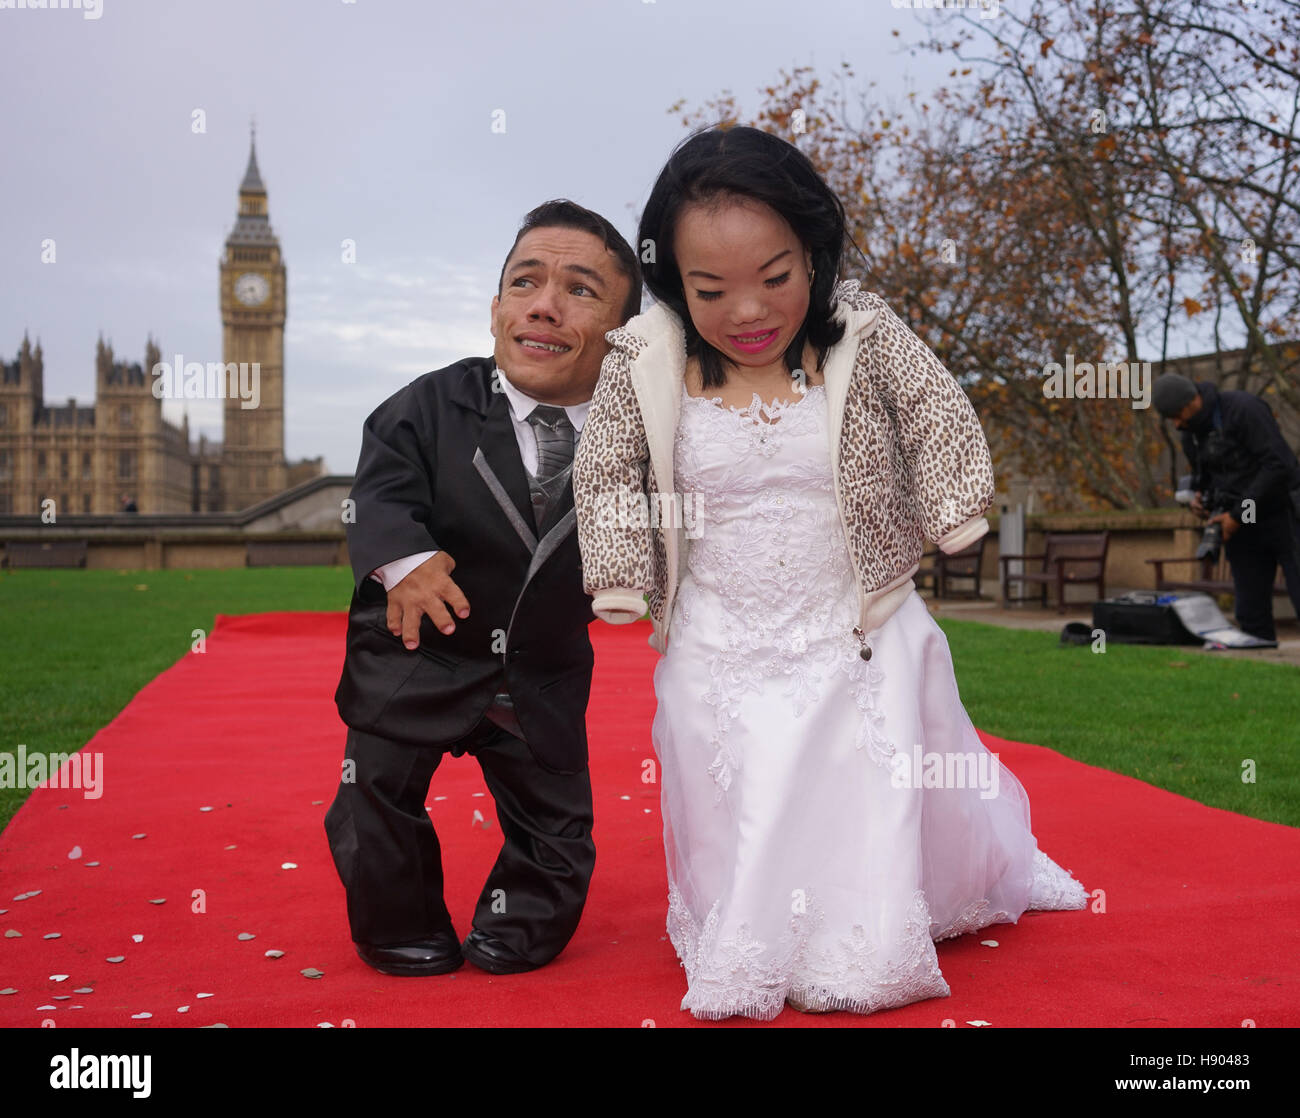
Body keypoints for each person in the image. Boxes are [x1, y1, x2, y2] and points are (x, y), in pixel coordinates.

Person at [573, 126, 1087, 1021]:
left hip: (856, 616)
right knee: (752, 778)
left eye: (774, 276)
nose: (747, 310)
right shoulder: (643, 361)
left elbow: (934, 411)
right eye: (711, 289)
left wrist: (954, 506)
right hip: (719, 626)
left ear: (813, 252)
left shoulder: (863, 332)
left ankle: (869, 924)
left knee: (866, 759)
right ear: (672, 283)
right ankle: (755, 931)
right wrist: (618, 568)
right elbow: (609, 466)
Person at [326, 200, 640, 977]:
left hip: (539, 668)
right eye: (524, 282)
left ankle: (519, 926)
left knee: (555, 824)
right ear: (496, 308)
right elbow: (379, 490)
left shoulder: (636, 427)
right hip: (416, 653)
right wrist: (404, 557)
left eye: (580, 290)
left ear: (623, 332)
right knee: (373, 798)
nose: (544, 304)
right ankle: (399, 926)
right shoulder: (428, 407)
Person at [1154, 372, 1300, 642]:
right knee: (1249, 610)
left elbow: (1279, 466)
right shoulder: (1191, 435)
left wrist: (1238, 514)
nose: (1176, 424)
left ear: (1191, 401)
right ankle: (1259, 663)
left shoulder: (1243, 409)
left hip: (1283, 511)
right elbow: (1207, 477)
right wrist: (1199, 497)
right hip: (1241, 523)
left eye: (1177, 415)